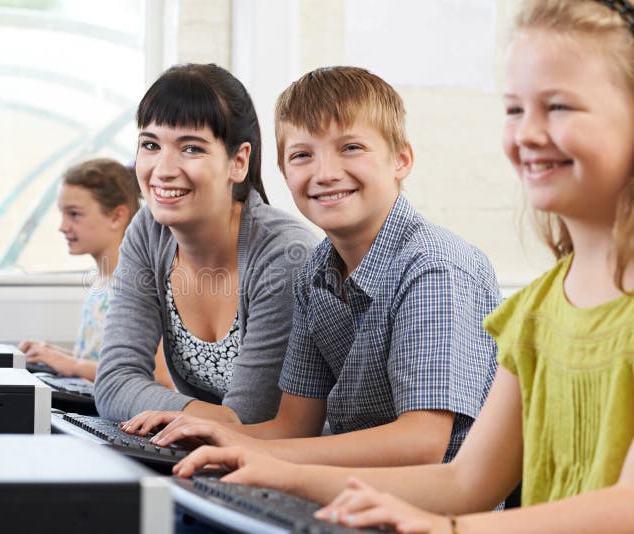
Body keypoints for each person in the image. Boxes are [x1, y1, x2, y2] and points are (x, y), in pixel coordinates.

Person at [173, 1, 634, 531]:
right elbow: (465, 481)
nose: (526, 133)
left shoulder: (437, 267)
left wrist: (449, 528)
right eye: (514, 110)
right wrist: (263, 464)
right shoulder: (537, 307)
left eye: (559, 106)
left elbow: (621, 506)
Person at [126, 66, 501, 470]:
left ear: (401, 159)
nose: (325, 174)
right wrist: (202, 431)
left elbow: (422, 443)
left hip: (427, 501)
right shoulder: (316, 274)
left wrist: (247, 449)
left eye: (351, 148)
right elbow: (293, 426)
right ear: (284, 171)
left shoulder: (434, 269)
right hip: (350, 490)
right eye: (302, 155)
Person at [94, 63, 318, 425]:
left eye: (191, 148)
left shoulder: (285, 254)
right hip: (204, 445)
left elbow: (249, 420)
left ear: (238, 162)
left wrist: (189, 417)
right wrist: (197, 416)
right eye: (150, 145)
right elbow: (114, 383)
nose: (163, 169)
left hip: (286, 453)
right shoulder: (149, 231)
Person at [20, 158, 173, 387]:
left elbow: (158, 378)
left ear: (116, 217)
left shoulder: (138, 285)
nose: (63, 226)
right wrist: (56, 356)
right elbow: (102, 360)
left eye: (74, 214)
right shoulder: (102, 281)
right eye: (63, 214)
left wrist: (73, 365)